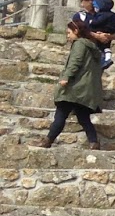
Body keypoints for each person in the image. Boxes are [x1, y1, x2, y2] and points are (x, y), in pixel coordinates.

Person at [39, 16, 108, 150]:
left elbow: (75, 62)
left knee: (61, 114)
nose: (68, 36)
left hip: (75, 88)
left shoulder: (80, 44)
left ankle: (47, 141)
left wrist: (66, 78)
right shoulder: (91, 47)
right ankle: (94, 143)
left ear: (76, 31)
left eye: (69, 33)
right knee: (83, 118)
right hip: (85, 90)